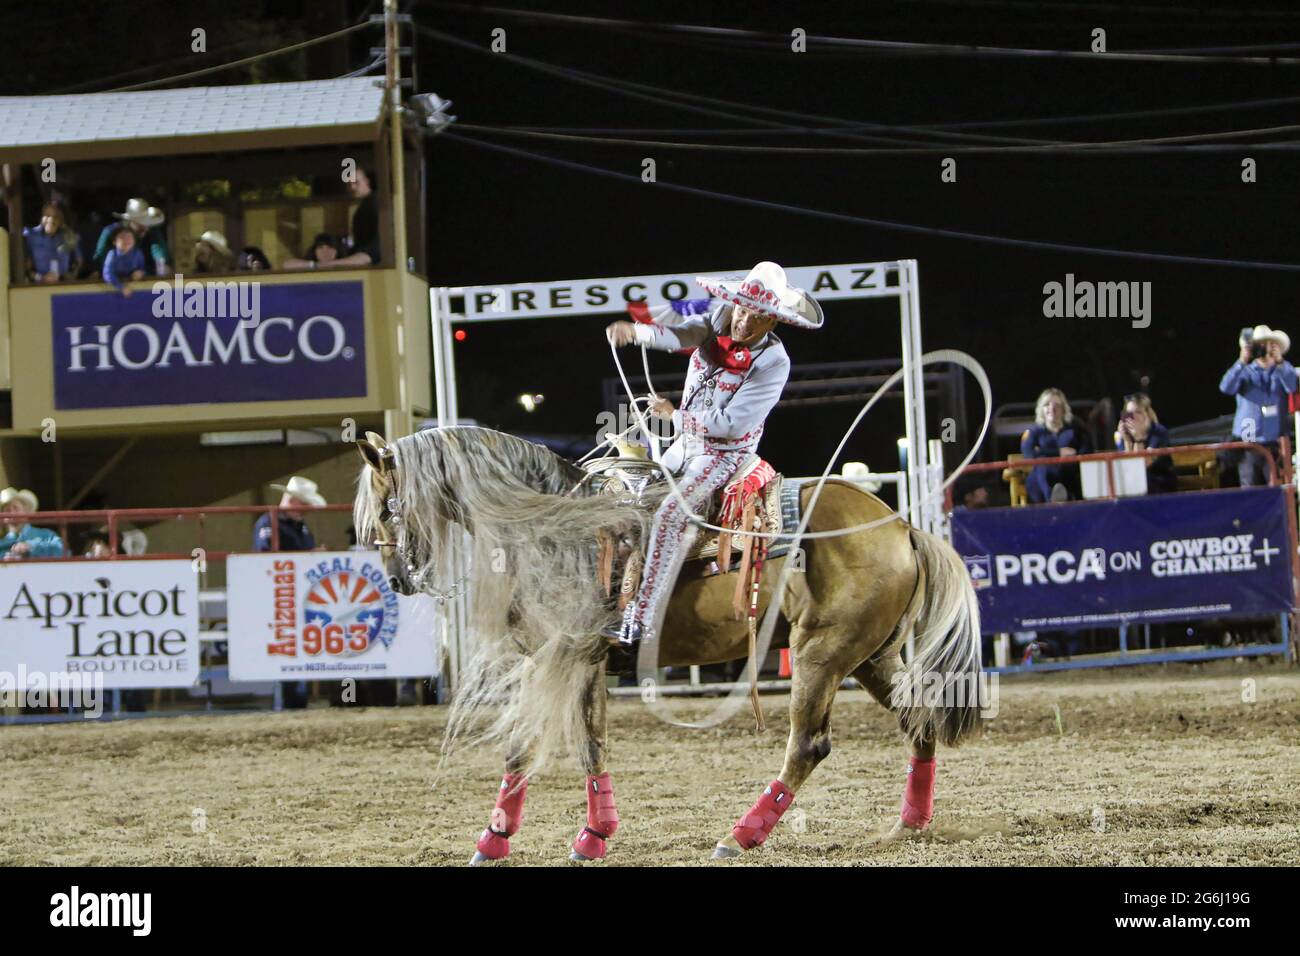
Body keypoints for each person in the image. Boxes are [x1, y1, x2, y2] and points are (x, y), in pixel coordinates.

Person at [601, 261, 822, 645]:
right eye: (741, 311)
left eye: (756, 318)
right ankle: (609, 595)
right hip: (683, 448)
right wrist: (637, 331)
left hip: (724, 455)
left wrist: (676, 417)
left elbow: (732, 424)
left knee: (670, 514)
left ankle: (642, 619)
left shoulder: (774, 362)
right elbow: (683, 333)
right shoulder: (719, 316)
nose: (743, 322)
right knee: (626, 494)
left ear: (772, 323)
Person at [1219, 325, 1297, 487]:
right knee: (1251, 490)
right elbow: (1225, 388)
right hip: (1249, 441)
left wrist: (1280, 361)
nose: (1261, 348)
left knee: (1276, 490)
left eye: (1265, 344)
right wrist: (1241, 361)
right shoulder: (1245, 371)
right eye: (1258, 344)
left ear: (1273, 346)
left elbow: (1292, 387)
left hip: (1275, 442)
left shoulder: (1282, 369)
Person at [285, 168, 380, 270]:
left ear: (367, 181)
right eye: (349, 184)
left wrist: (316, 266)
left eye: (356, 183)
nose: (352, 187)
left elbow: (370, 253)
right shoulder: (367, 205)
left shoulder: (374, 206)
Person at [1021, 387, 1093, 503]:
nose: (1052, 408)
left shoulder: (1076, 429)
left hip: (1068, 475)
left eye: (1057, 405)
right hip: (1042, 482)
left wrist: (1042, 451)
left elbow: (1087, 450)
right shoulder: (1033, 432)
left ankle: (1063, 497)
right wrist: (1059, 453)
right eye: (1047, 405)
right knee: (1042, 464)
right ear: (1041, 409)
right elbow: (1029, 454)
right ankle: (1052, 500)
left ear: (1064, 409)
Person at [1114, 392, 1176, 494]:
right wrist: (1127, 441)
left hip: (1160, 480)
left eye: (1138, 412)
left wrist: (1139, 439)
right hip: (1136, 483)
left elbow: (1144, 465)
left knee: (1142, 480)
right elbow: (1128, 468)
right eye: (1129, 413)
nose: (1133, 417)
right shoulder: (1124, 435)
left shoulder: (1159, 432)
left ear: (1147, 414)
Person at [92, 198, 170, 274]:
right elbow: (100, 254)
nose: (146, 227)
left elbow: (159, 250)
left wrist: (162, 263)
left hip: (144, 275)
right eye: (141, 223)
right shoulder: (110, 231)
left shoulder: (152, 231)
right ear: (131, 220)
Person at [254, 475, 325, 552]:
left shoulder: (302, 526)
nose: (307, 510)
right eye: (304, 504)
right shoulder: (268, 522)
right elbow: (266, 557)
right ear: (290, 500)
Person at [23, 199, 82, 283]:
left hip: (64, 286)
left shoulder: (70, 236)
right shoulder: (30, 235)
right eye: (47, 215)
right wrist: (40, 278)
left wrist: (71, 275)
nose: (51, 220)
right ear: (41, 217)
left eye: (56, 217)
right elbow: (25, 267)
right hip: (37, 287)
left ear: (62, 220)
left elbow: (78, 261)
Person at [0, 487, 64, 560]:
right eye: (7, 510)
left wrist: (30, 547)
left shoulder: (46, 535)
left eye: (16, 508)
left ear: (26, 511)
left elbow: (63, 551)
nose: (11, 513)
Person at [101, 226, 145, 294]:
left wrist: (141, 273)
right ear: (114, 242)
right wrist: (121, 287)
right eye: (122, 237)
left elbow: (144, 269)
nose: (126, 240)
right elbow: (107, 274)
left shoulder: (138, 253)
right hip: (115, 291)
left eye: (129, 237)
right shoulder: (112, 254)